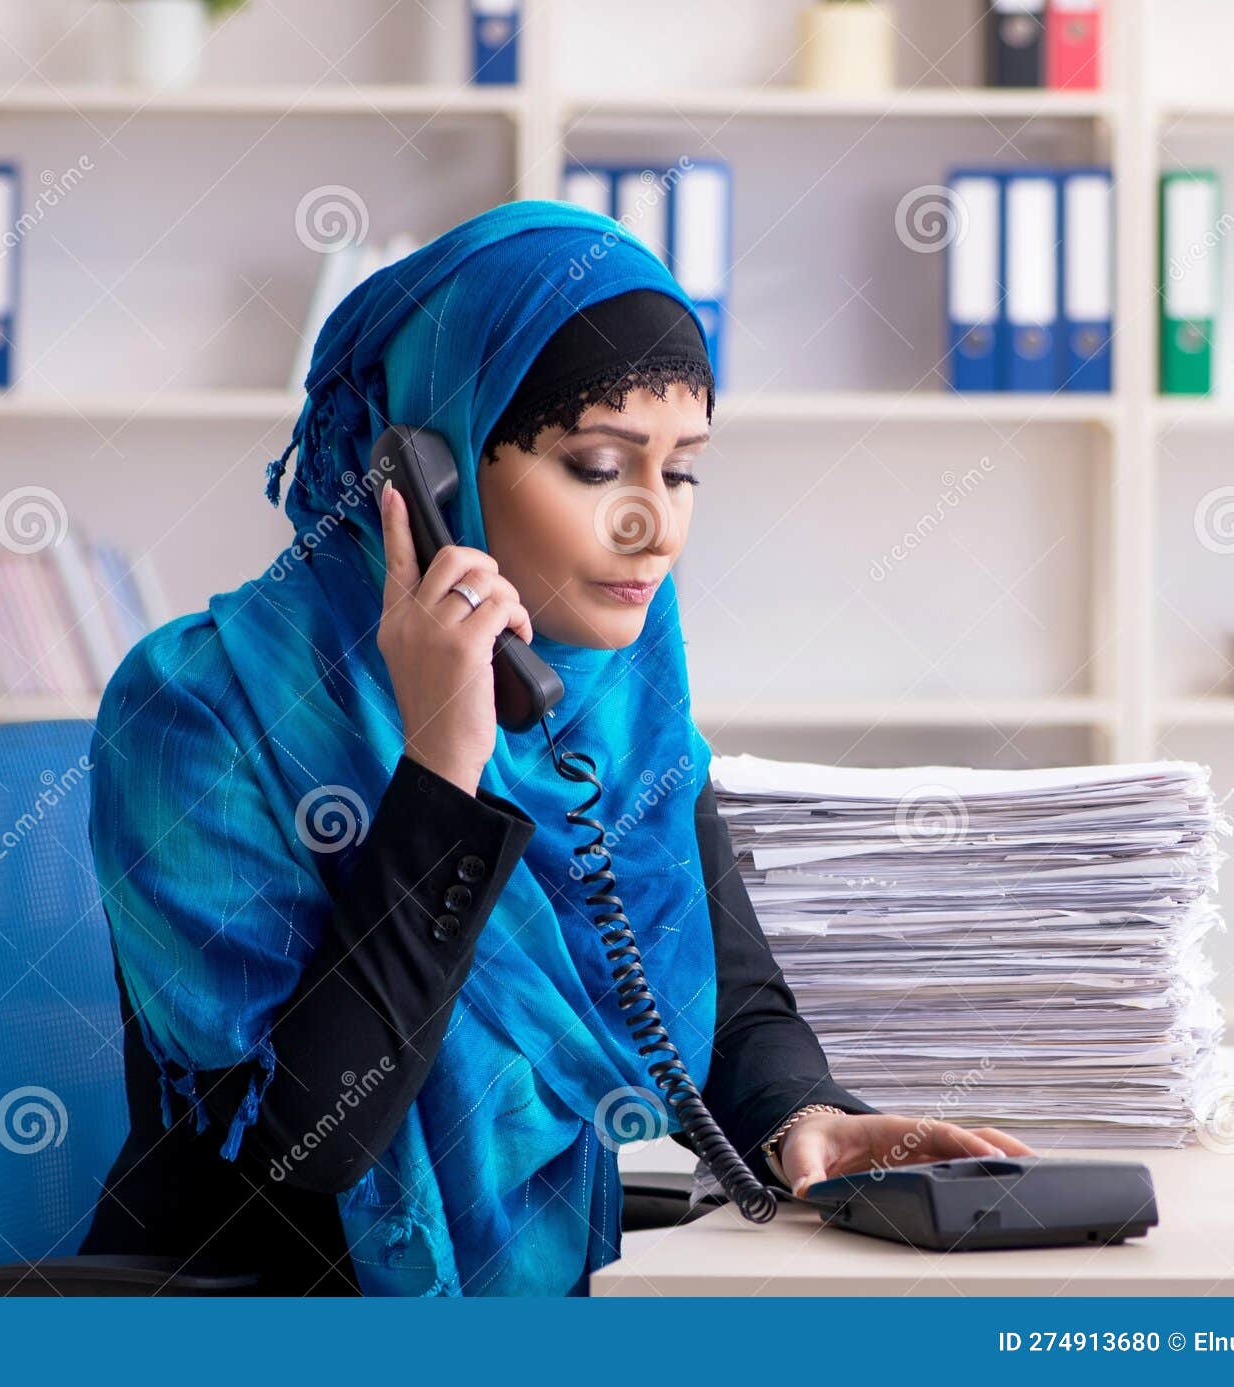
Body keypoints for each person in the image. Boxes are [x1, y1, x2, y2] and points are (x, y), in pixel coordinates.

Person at [79, 200, 1032, 1297]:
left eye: (680, 472)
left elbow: (726, 998)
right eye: (595, 466)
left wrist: (802, 1115)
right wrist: (441, 772)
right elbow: (299, 1144)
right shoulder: (198, 706)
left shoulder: (607, 702)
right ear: (424, 475)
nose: (655, 526)